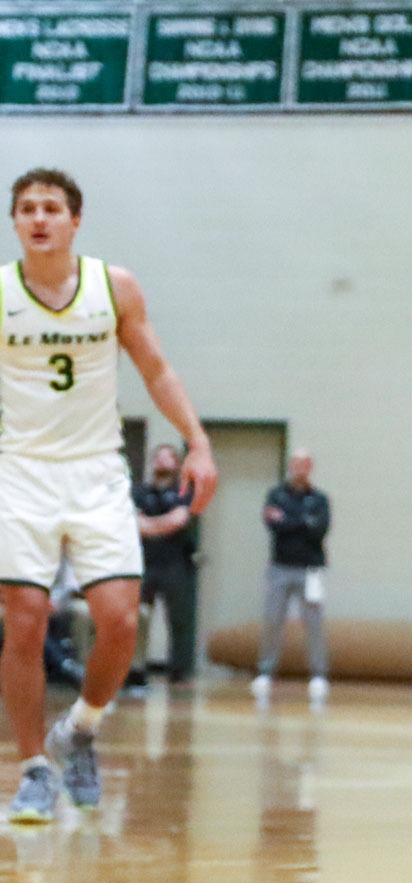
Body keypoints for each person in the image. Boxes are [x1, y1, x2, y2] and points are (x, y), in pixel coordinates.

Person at [2, 168, 218, 824]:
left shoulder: (113, 286)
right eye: (26, 209)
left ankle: (84, 728)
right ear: (15, 222)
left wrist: (198, 441)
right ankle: (34, 765)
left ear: (75, 220)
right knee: (26, 619)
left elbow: (155, 366)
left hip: (96, 471)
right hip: (21, 472)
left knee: (122, 621)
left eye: (51, 208)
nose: (38, 218)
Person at [251, 449, 329, 705]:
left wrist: (289, 520)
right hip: (280, 568)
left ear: (311, 467)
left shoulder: (320, 499)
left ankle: (318, 674)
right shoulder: (276, 495)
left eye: (305, 464)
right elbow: (274, 526)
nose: (300, 468)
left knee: (314, 623)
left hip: (311, 570)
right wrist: (301, 522)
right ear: (290, 466)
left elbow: (319, 529)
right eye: (296, 463)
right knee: (273, 619)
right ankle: (265, 671)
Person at [132, 443, 199, 684]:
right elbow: (135, 524)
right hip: (144, 563)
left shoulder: (185, 493)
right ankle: (135, 670)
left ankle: (179, 672)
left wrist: (151, 525)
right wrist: (162, 524)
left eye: (167, 458)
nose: (162, 462)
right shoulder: (139, 492)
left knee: (178, 620)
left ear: (176, 463)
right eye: (158, 458)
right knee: (138, 619)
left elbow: (179, 521)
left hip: (175, 565)